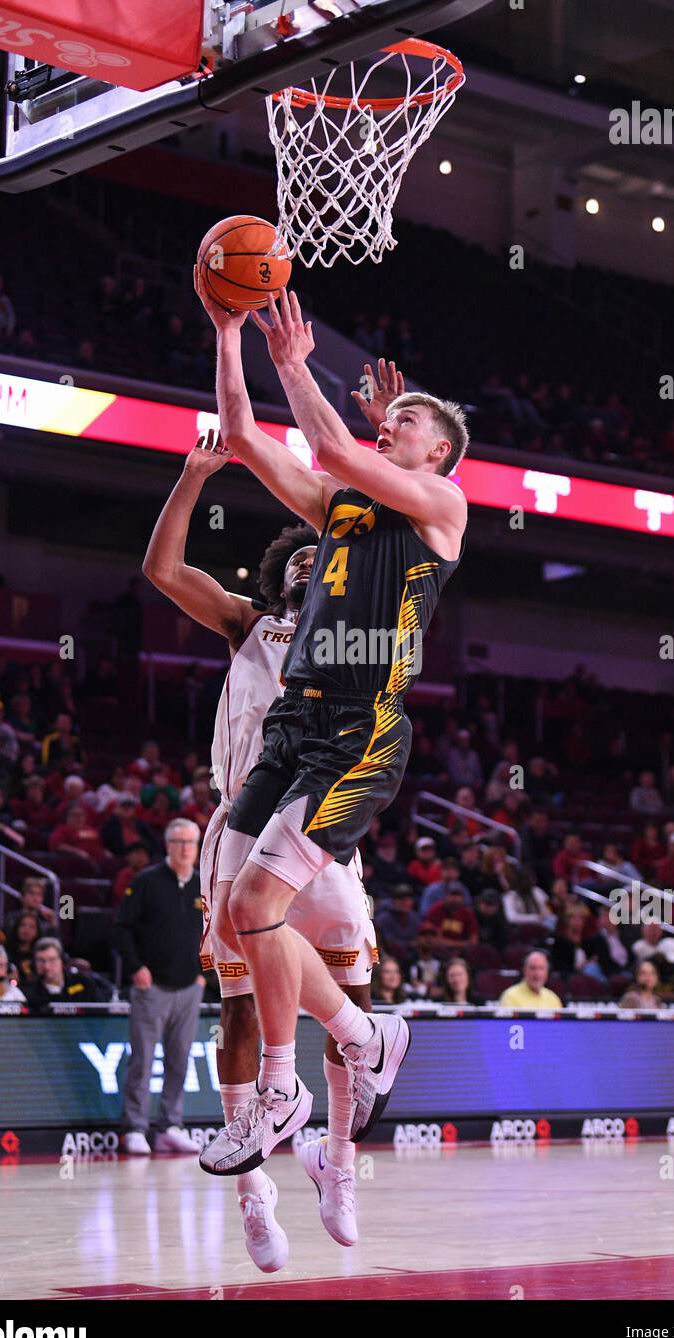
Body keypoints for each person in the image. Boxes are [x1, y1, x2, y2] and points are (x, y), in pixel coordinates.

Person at [194, 278, 467, 1183]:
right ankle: (362, 1032)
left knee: (260, 908)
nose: (396, 422)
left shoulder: (442, 513)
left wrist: (292, 362)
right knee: (238, 918)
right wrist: (230, 332)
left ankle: (285, 1087)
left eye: (413, 421)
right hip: (289, 729)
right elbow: (241, 438)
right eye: (397, 417)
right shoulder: (342, 508)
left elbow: (328, 443)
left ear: (443, 456)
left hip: (358, 733)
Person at [143, 437, 384, 1266]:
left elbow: (407, 538)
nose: (313, 562)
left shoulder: (358, 630)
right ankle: (256, 1190)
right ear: (280, 572)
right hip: (244, 826)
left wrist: (371, 454)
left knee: (351, 994)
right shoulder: (249, 624)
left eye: (328, 556)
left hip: (322, 824)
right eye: (301, 554)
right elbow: (165, 570)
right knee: (241, 1008)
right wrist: (191, 478)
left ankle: (340, 1165)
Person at [114, 819, 207, 1156]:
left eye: (190, 843)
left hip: (189, 987)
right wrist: (137, 968)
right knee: (142, 1059)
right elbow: (121, 929)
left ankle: (170, 1125)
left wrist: (203, 975)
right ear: (167, 845)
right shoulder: (146, 883)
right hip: (151, 987)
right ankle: (136, 1127)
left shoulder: (203, 884)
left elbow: (217, 933)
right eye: (178, 842)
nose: (185, 848)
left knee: (179, 1059)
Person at [23, 937, 108, 1008]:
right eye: (41, 961)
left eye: (52, 960)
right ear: (34, 964)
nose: (47, 966)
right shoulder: (30, 993)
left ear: (62, 960)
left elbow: (102, 1011)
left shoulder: (83, 982)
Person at [498, 950, 563, 1010]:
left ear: (547, 972)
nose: (537, 974)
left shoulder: (553, 998)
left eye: (541, 968)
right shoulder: (510, 996)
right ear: (524, 970)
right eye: (533, 968)